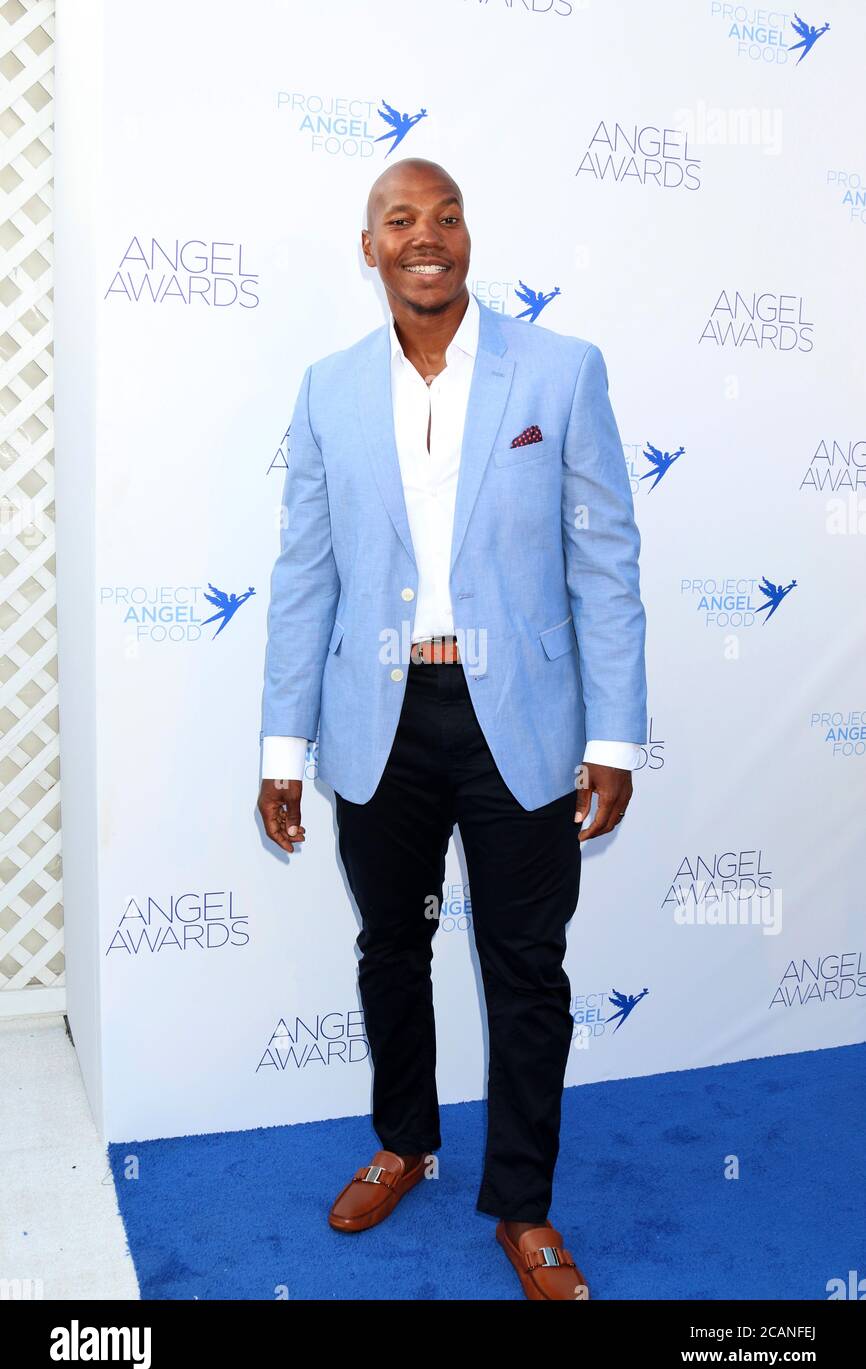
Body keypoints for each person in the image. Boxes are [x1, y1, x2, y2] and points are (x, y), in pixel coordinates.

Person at [257, 158, 647, 1300]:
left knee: (526, 968)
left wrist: (613, 737)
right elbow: (304, 576)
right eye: (400, 220)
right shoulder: (328, 389)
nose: (426, 236)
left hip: (516, 718)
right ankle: (405, 1139)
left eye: (445, 216)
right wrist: (284, 749)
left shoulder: (559, 371)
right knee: (392, 948)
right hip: (375, 715)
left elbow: (605, 562)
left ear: (466, 235)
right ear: (368, 246)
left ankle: (522, 1207)